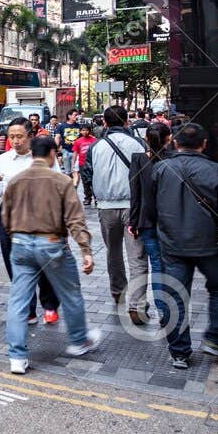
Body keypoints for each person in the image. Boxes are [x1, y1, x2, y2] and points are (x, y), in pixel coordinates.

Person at [142, 123, 218, 371]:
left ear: (175, 143)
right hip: (210, 246)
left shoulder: (161, 169)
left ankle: (180, 353)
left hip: (172, 246)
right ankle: (214, 338)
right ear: (204, 144)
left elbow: (149, 209)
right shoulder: (217, 171)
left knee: (175, 297)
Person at [1, 134, 102, 374]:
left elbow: (5, 216)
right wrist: (86, 250)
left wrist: (17, 234)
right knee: (70, 294)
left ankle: (17, 357)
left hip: (21, 243)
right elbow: (75, 220)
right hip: (52, 243)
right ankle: (78, 341)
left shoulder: (16, 180)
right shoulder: (61, 180)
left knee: (18, 301)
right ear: (52, 154)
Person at [0, 120, 63, 325]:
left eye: (19, 136)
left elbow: (59, 184)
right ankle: (28, 308)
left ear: (30, 136)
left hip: (40, 215)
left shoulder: (44, 156)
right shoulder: (2, 159)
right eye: (11, 137)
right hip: (10, 216)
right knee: (15, 262)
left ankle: (49, 304)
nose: (15, 141)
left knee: (44, 261)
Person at [90, 106, 148, 310]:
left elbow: (88, 174)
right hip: (132, 208)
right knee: (137, 257)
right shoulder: (137, 144)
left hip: (105, 207)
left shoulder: (96, 147)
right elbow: (145, 176)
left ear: (104, 123)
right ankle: (137, 306)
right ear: (126, 122)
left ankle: (118, 293)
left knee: (112, 253)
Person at [126, 122, 171, 326]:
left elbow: (135, 193)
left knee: (155, 264)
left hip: (146, 221)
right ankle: (164, 310)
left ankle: (162, 310)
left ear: (146, 139)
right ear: (168, 139)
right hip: (169, 222)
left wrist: (133, 221)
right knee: (164, 266)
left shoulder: (139, 159)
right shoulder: (173, 160)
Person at [73, 122, 99, 206]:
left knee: (94, 181)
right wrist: (73, 163)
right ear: (80, 131)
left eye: (87, 130)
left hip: (92, 163)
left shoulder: (94, 140)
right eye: (83, 130)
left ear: (90, 131)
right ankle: (87, 198)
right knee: (85, 182)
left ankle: (96, 198)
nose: (85, 132)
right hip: (82, 164)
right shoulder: (78, 141)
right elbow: (75, 153)